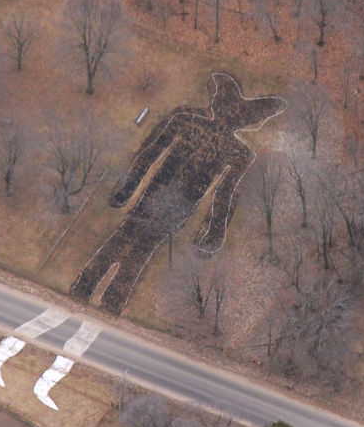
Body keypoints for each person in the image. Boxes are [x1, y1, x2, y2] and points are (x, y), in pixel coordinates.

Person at [71, 73, 285, 314]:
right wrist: (212, 234)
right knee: (136, 247)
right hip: (168, 204)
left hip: (167, 204)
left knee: (131, 244)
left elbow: (151, 157)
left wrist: (126, 190)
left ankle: (94, 291)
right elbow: (222, 194)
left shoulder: (193, 125)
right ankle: (107, 298)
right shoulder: (225, 145)